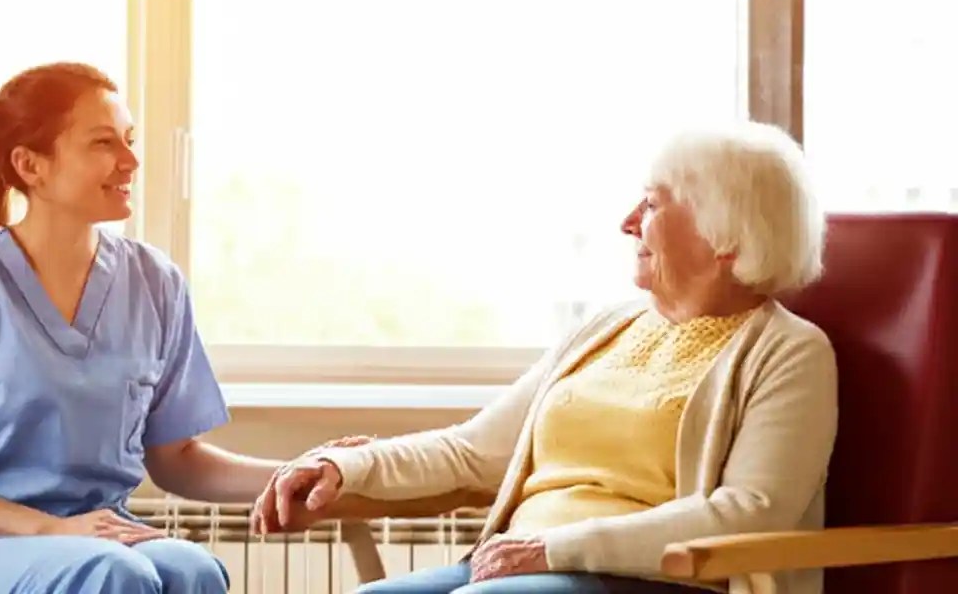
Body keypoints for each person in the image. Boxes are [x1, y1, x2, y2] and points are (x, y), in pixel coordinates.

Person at [254, 122, 837, 594]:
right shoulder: (606, 328)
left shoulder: (789, 353)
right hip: (521, 568)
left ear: (725, 236)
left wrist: (555, 549)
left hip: (647, 580)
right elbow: (472, 453)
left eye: (653, 205)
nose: (628, 221)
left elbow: (747, 514)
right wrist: (346, 467)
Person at [0, 62, 282, 594]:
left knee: (192, 569)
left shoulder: (155, 282)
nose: (131, 161)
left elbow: (177, 460)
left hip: (93, 538)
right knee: (113, 572)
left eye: (129, 140)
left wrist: (298, 473)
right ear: (31, 165)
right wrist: (51, 529)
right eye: (103, 143)